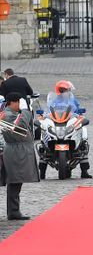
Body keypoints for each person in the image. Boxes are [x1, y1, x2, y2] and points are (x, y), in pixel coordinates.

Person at [2, 92, 40, 220]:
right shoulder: (8, 115)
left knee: (16, 181)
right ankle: (13, 211)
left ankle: (14, 210)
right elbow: (21, 126)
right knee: (15, 181)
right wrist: (25, 110)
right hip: (15, 151)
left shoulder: (11, 113)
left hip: (18, 150)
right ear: (12, 102)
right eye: (19, 102)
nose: (20, 105)